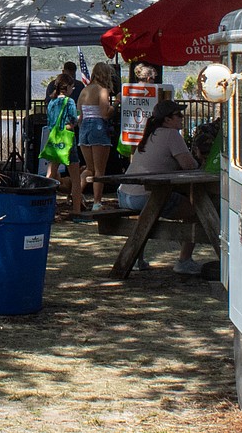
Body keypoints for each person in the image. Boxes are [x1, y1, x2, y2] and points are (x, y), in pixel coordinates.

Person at [117, 99, 203, 274]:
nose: (182, 117)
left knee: (148, 216)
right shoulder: (171, 135)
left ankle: (136, 259)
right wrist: (200, 158)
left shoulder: (151, 134)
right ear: (167, 119)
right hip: (144, 196)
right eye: (178, 115)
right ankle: (184, 261)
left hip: (124, 194)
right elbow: (190, 166)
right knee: (196, 211)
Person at [77, 62, 118, 211]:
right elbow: (105, 114)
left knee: (89, 168)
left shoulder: (84, 90)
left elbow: (79, 116)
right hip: (98, 127)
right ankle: (97, 203)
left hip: (84, 128)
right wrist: (117, 103)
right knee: (100, 170)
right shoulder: (102, 90)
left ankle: (75, 195)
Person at [41, 70, 79, 190]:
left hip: (54, 140)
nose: (72, 90)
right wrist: (79, 118)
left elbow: (50, 121)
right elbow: (72, 122)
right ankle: (76, 208)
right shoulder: (70, 102)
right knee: (76, 179)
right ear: (67, 87)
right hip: (67, 141)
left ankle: (47, 202)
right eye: (72, 87)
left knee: (50, 176)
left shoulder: (51, 102)